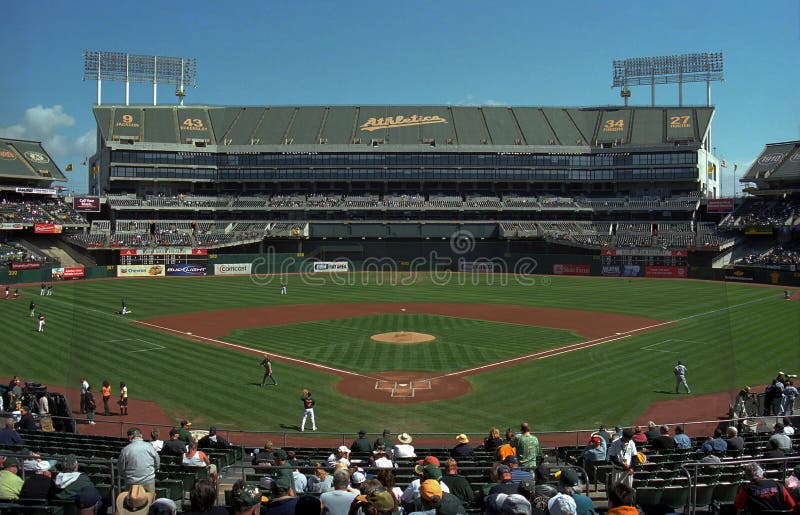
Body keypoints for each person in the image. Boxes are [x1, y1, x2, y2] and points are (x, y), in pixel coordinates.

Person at [118, 427, 160, 492]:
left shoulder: (125, 450)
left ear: (130, 437)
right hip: (148, 481)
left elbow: (121, 470)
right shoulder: (149, 446)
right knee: (149, 501)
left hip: (131, 483)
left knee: (132, 502)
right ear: (141, 436)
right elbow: (157, 463)